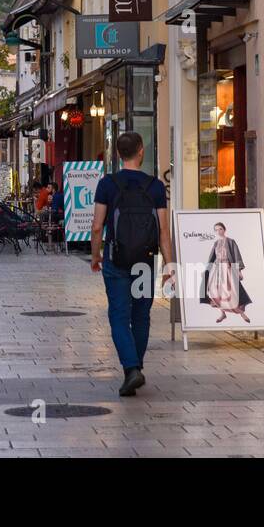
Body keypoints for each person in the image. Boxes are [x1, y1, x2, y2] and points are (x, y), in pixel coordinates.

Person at [89, 131, 171, 398]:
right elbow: (163, 232)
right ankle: (135, 367)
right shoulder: (156, 187)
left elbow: (97, 225)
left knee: (118, 316)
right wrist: (170, 266)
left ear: (117, 154)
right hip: (145, 261)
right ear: (141, 151)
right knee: (141, 316)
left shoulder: (108, 184)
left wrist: (95, 255)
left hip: (116, 259)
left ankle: (131, 369)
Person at [201, 222, 251, 323]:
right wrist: (206, 271)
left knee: (232, 293)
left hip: (228, 269)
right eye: (216, 230)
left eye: (220, 229)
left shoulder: (230, 242)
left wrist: (239, 271)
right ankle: (222, 313)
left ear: (224, 229)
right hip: (218, 271)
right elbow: (211, 258)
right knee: (217, 292)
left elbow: (237, 256)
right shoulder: (216, 243)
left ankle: (242, 313)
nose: (218, 231)